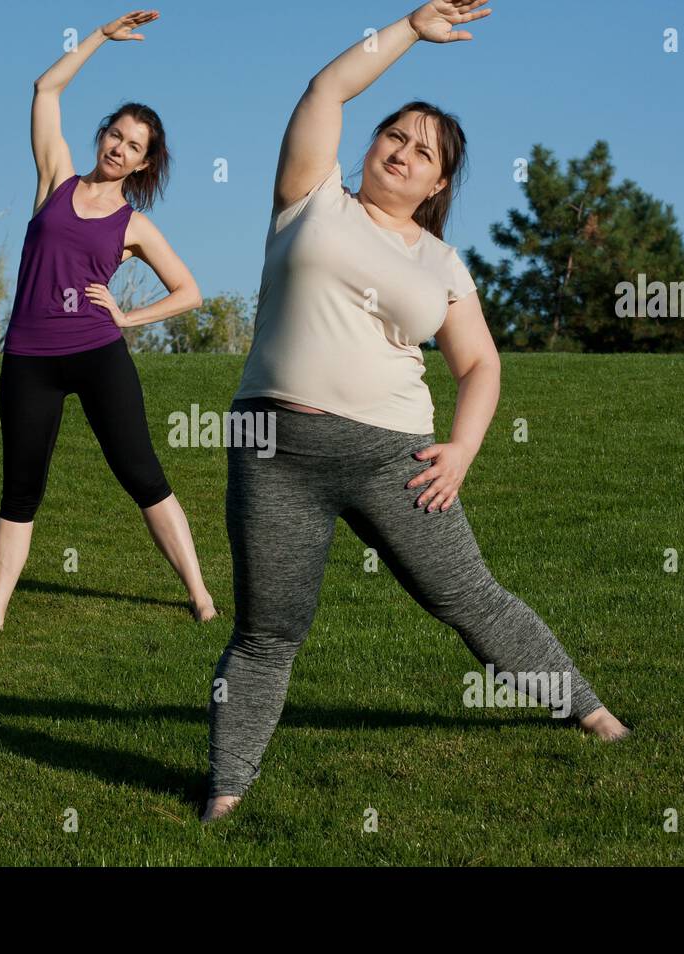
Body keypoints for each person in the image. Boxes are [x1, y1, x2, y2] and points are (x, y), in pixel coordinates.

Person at [202, 0, 631, 823]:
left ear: (439, 184)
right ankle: (224, 795)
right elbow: (326, 90)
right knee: (267, 631)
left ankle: (597, 717)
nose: (402, 152)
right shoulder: (309, 199)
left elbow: (480, 363)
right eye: (394, 136)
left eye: (424, 152)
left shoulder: (441, 262)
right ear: (369, 147)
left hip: (393, 455)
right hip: (272, 449)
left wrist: (463, 448)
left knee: (471, 599)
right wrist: (406, 29)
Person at [0, 9, 217, 637]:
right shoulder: (55, 178)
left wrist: (129, 316)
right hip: (29, 357)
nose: (118, 147)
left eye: (133, 146)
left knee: (141, 474)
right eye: (115, 134)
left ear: (144, 162)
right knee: (20, 489)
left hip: (97, 350)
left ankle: (201, 597)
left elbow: (190, 291)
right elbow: (45, 89)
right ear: (103, 136)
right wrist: (101, 39)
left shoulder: (134, 225)